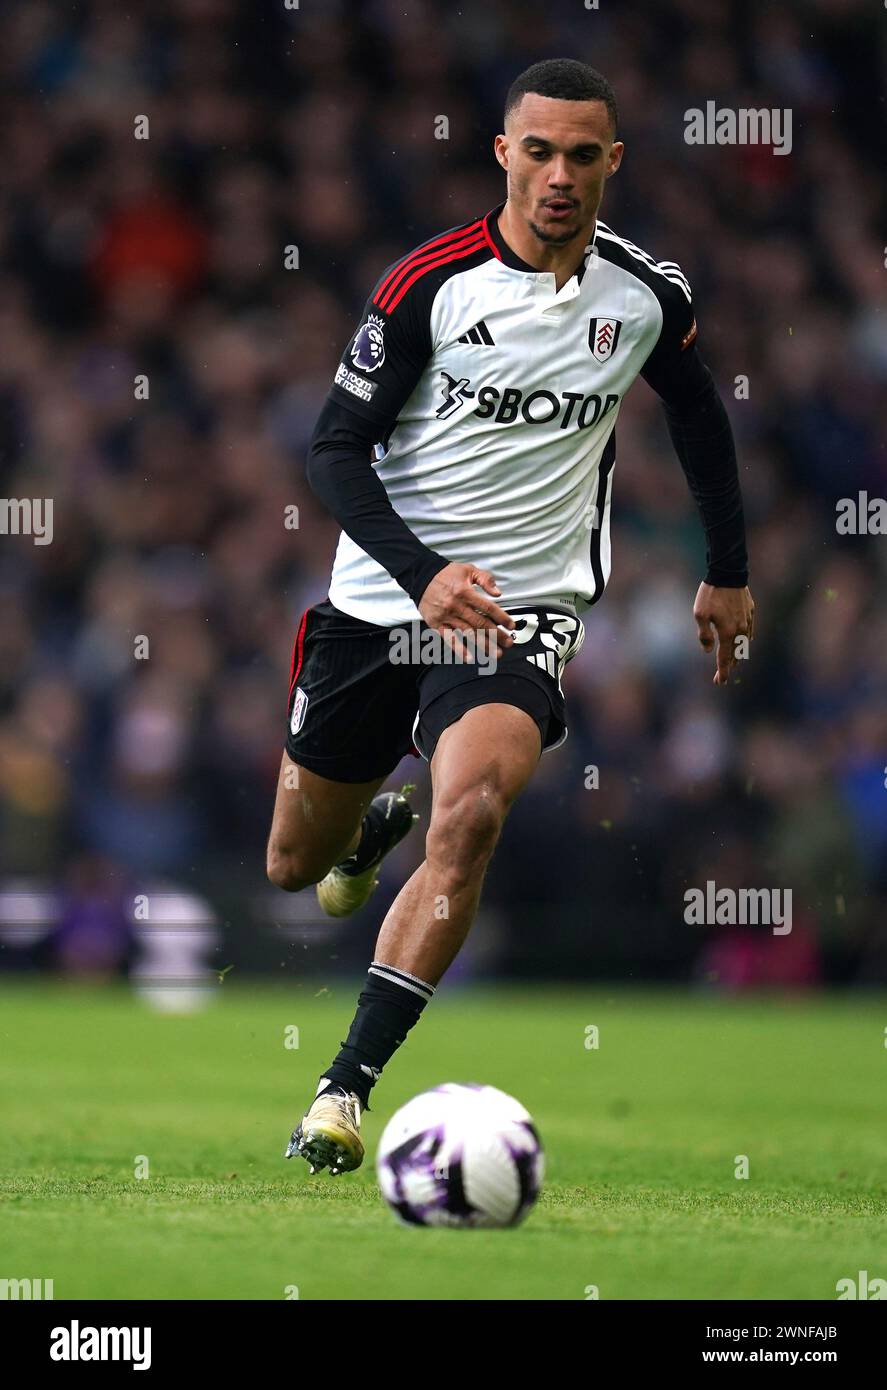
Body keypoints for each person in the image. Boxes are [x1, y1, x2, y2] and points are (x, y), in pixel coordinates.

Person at [266, 57, 755, 1175]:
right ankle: (366, 829)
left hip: (521, 610)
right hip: (378, 602)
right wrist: (423, 569)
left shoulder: (644, 296)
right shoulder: (428, 283)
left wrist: (726, 568)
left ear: (611, 164)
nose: (558, 175)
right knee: (296, 866)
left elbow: (699, 415)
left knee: (475, 811)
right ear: (502, 155)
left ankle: (343, 1088)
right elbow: (331, 448)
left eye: (583, 155)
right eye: (537, 151)